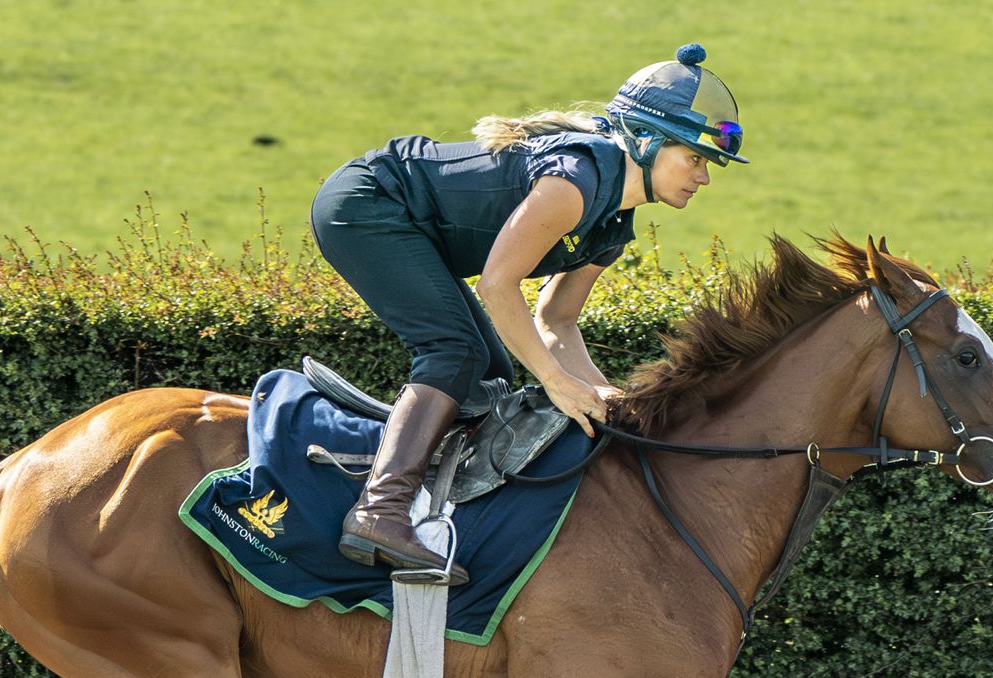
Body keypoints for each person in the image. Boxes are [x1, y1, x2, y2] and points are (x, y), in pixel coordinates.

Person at [311, 43, 745, 584]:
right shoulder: (574, 183)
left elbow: (557, 320)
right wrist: (557, 383)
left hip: (411, 226)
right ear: (648, 141)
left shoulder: (614, 225)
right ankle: (380, 511)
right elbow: (497, 286)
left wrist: (606, 395)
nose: (704, 177)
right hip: (367, 205)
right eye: (696, 158)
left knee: (491, 368)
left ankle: (435, 498)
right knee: (456, 353)